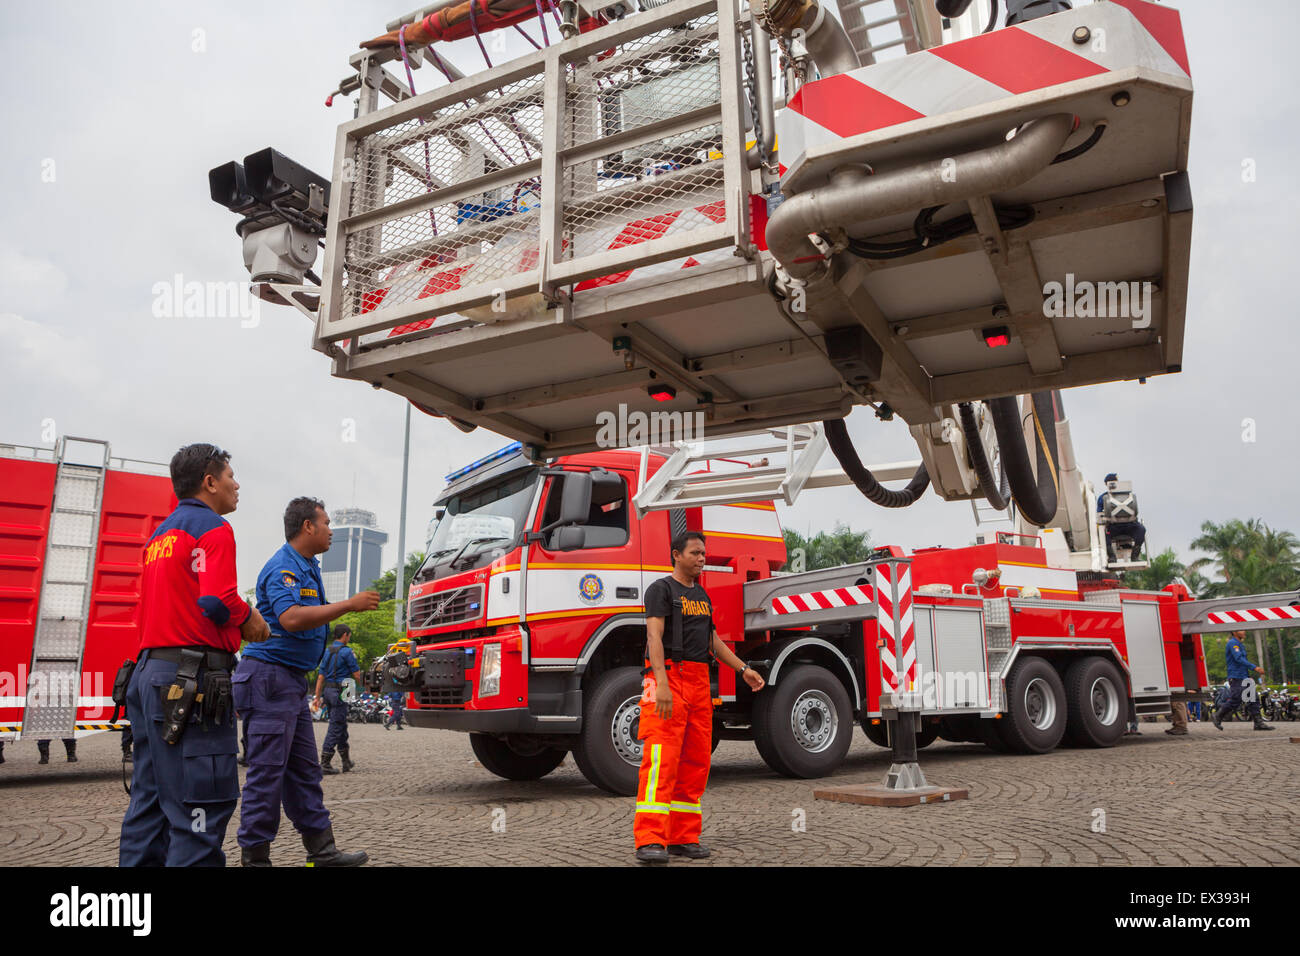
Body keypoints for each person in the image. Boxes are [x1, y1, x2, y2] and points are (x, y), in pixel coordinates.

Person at [119, 443, 270, 867]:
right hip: (192, 685)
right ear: (209, 482)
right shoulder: (213, 528)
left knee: (148, 807)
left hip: (149, 676)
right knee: (199, 808)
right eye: (230, 476)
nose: (236, 485)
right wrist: (250, 618)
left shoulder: (159, 535)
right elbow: (216, 600)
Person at [233, 497, 379, 867]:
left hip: (288, 682)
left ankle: (322, 853)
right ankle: (255, 861)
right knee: (267, 775)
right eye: (327, 523)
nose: (331, 530)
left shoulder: (308, 566)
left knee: (304, 772)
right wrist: (349, 604)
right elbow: (292, 618)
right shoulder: (284, 566)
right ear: (307, 526)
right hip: (269, 679)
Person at [634, 531, 766, 864]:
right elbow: (654, 635)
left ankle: (683, 837)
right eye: (695, 553)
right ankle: (650, 839)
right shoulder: (660, 590)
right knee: (661, 761)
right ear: (676, 555)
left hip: (698, 683)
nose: (702, 558)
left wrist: (742, 669)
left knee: (695, 762)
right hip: (668, 679)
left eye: (704, 553)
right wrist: (661, 682)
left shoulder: (702, 596)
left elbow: (713, 642)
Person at [314, 624, 363, 773]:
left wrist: (317, 696)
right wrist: (360, 689)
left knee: (341, 723)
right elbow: (356, 675)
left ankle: (346, 761)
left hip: (328, 691)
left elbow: (321, 676)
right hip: (344, 690)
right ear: (345, 635)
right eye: (349, 635)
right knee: (336, 725)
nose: (349, 638)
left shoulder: (327, 651)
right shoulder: (347, 652)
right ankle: (325, 762)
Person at [1212, 630, 1274, 731]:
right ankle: (1218, 716)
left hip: (1244, 676)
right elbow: (1239, 659)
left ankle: (1258, 723)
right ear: (1234, 632)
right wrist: (1254, 667)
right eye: (1241, 630)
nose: (1244, 631)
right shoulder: (1232, 643)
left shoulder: (1240, 644)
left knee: (1253, 698)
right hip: (1236, 676)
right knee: (1236, 699)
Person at [1096, 472, 1146, 560]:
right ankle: (1111, 556)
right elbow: (1099, 514)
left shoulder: (1128, 495)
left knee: (1141, 529)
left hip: (1130, 525)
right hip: (1113, 527)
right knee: (1103, 533)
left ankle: (1135, 555)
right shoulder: (1103, 498)